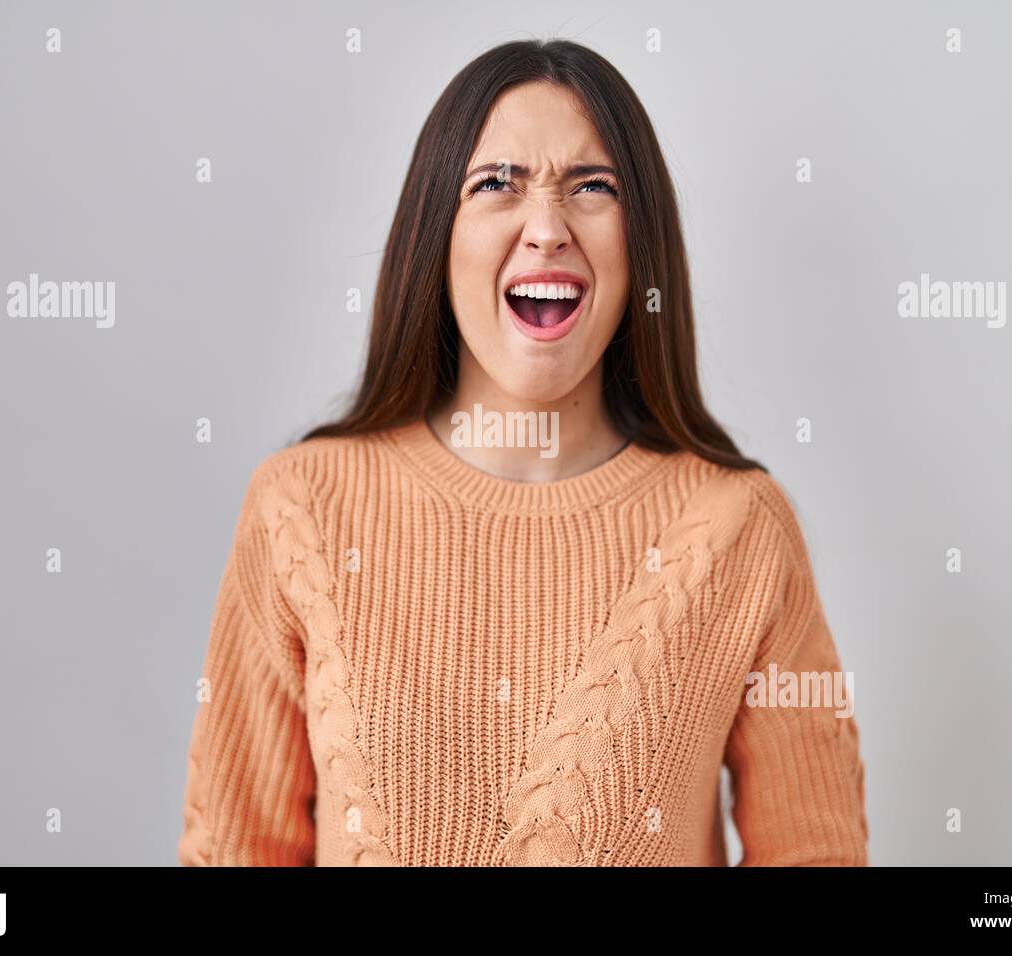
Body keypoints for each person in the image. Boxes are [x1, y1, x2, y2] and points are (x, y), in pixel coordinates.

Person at [177, 38, 868, 867]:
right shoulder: (301, 507)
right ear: (437, 233)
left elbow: (814, 854)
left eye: (593, 187)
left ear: (639, 242)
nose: (547, 228)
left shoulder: (739, 530)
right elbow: (234, 849)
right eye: (496, 184)